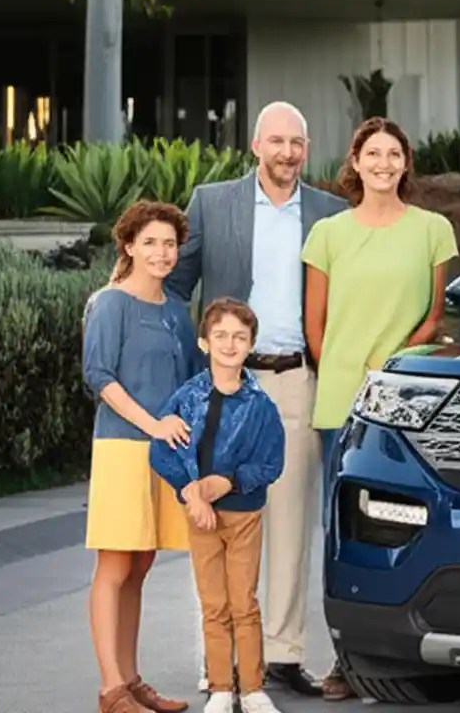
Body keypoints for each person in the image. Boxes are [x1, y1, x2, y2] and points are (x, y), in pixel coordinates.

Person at [165, 101, 350, 699]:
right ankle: (216, 659)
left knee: (290, 521)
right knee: (216, 519)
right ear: (255, 145)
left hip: (296, 380)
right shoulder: (212, 202)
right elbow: (172, 285)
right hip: (225, 385)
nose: (288, 154)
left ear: (307, 146)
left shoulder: (330, 213)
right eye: (277, 142)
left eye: (297, 143)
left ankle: (284, 653)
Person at [301, 116, 458, 695]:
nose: (384, 163)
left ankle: (401, 648)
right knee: (341, 530)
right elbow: (314, 328)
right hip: (341, 401)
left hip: (405, 399)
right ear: (356, 163)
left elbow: (435, 316)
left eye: (394, 154)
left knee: (399, 525)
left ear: (405, 163)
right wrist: (345, 375)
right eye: (374, 154)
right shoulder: (327, 236)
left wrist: (393, 368)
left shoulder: (433, 230)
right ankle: (345, 661)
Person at [83, 201, 200, 713]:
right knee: (115, 565)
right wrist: (153, 424)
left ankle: (131, 680)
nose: (161, 252)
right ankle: (111, 689)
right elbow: (100, 376)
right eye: (150, 242)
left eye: (169, 244)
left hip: (164, 456)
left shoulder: (177, 311)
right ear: (128, 246)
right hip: (122, 450)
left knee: (142, 563)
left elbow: (193, 385)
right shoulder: (112, 304)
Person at [150, 297, 289, 713]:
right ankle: (221, 688)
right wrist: (192, 491)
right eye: (221, 335)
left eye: (240, 337)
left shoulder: (261, 406)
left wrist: (224, 482)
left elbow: (271, 462)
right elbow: (162, 450)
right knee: (213, 604)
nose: (230, 344)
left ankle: (252, 688)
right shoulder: (186, 398)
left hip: (243, 514)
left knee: (243, 602)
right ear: (204, 342)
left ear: (251, 346)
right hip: (200, 516)